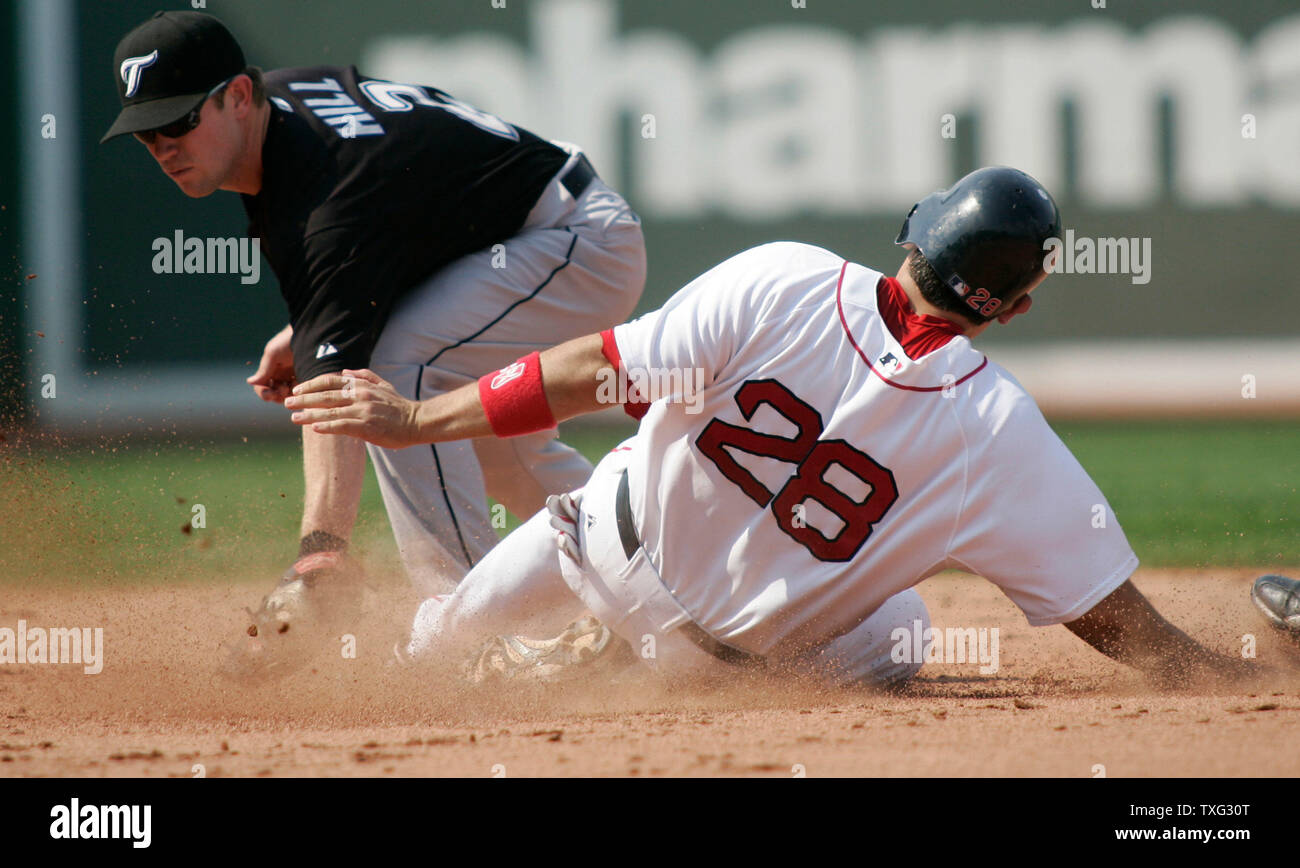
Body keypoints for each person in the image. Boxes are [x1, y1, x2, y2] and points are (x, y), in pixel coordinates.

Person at [283, 166, 1260, 688]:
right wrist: (1222, 673)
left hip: (589, 542)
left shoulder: (782, 277)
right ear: (1009, 308)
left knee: (432, 655)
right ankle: (612, 661)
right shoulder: (997, 430)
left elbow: (585, 371)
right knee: (910, 626)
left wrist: (419, 418)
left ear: (915, 233)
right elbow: (1111, 616)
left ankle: (449, 651)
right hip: (713, 663)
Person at [100, 11, 646, 643]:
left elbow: (341, 385)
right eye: (146, 135)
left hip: (576, 242)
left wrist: (320, 551)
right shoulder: (283, 129)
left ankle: (472, 633)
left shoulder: (323, 190)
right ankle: (661, 552)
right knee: (498, 451)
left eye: (178, 122)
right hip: (530, 236)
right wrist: (311, 327)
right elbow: (385, 233)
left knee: (395, 377)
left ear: (239, 97)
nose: (164, 147)